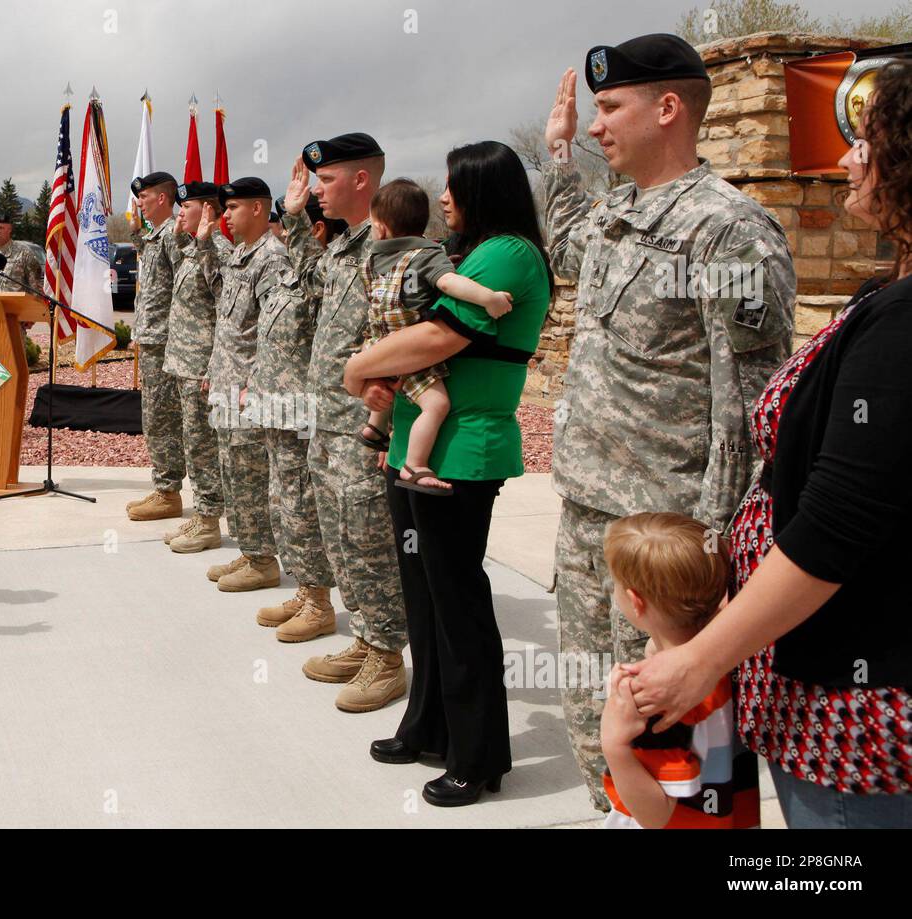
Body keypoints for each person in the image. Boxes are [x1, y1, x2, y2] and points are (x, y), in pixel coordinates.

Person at [626, 62, 912, 829]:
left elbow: (833, 530)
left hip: (857, 711)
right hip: (819, 690)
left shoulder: (902, 329)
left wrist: (701, 657)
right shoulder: (884, 300)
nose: (848, 158)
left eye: (871, 142)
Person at [542, 33, 796, 811]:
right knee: (598, 718)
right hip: (592, 520)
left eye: (610, 108)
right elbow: (564, 248)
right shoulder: (621, 210)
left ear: (669, 107)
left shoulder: (729, 230)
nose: (595, 126)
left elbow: (751, 410)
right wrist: (556, 162)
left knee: (680, 761)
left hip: (669, 541)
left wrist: (716, 556)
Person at [346, 141, 552, 802]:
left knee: (457, 601)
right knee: (424, 596)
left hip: (463, 447)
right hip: (420, 442)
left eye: (454, 187)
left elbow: (438, 337)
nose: (442, 197)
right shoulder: (466, 253)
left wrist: (358, 368)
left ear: (484, 192)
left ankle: (478, 754)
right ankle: (428, 726)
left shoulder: (509, 253)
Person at [281, 132, 408, 712]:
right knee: (338, 533)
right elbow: (305, 290)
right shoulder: (338, 248)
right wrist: (292, 220)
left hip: (361, 422)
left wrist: (383, 417)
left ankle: (387, 655)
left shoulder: (394, 249)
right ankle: (363, 637)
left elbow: (408, 334)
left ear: (362, 180)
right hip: (325, 418)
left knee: (368, 537)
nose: (317, 192)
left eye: (325, 181)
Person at [599, 512, 759, 829]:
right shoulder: (731, 661)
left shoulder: (653, 695)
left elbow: (656, 814)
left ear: (636, 601)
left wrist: (614, 745)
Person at [357, 178, 514, 496]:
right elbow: (448, 284)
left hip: (378, 345)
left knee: (389, 383)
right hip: (412, 351)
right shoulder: (426, 254)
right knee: (437, 404)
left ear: (382, 229)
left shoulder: (372, 260)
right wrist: (488, 298)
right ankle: (416, 463)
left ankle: (375, 425)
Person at [249, 197, 342, 635]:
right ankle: (306, 587)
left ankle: (320, 602)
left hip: (299, 411)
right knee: (283, 503)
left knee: (303, 506)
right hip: (274, 408)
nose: (277, 234)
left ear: (315, 232)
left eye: (285, 227)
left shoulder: (317, 278)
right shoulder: (286, 274)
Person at [197, 178, 282, 592]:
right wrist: (215, 369)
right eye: (224, 208)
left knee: (251, 473)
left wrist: (255, 383)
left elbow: (273, 331)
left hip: (249, 389)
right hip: (227, 385)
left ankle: (264, 560)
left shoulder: (272, 258)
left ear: (258, 209)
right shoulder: (243, 255)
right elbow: (229, 320)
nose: (225, 215)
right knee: (233, 472)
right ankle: (250, 550)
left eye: (232, 208)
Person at [161, 182, 227, 553]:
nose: (179, 212)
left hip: (202, 366)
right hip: (184, 363)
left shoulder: (217, 251)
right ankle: (202, 515)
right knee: (193, 443)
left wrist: (213, 366)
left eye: (186, 206)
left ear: (206, 211)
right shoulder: (192, 250)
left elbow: (225, 312)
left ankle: (209, 521)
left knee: (203, 446)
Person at [125, 171, 186, 523]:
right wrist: (135, 229)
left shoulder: (175, 235)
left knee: (161, 418)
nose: (140, 204)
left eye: (145, 198)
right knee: (155, 416)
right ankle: (165, 486)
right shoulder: (158, 235)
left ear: (162, 199)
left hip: (166, 341)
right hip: (153, 338)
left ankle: (168, 491)